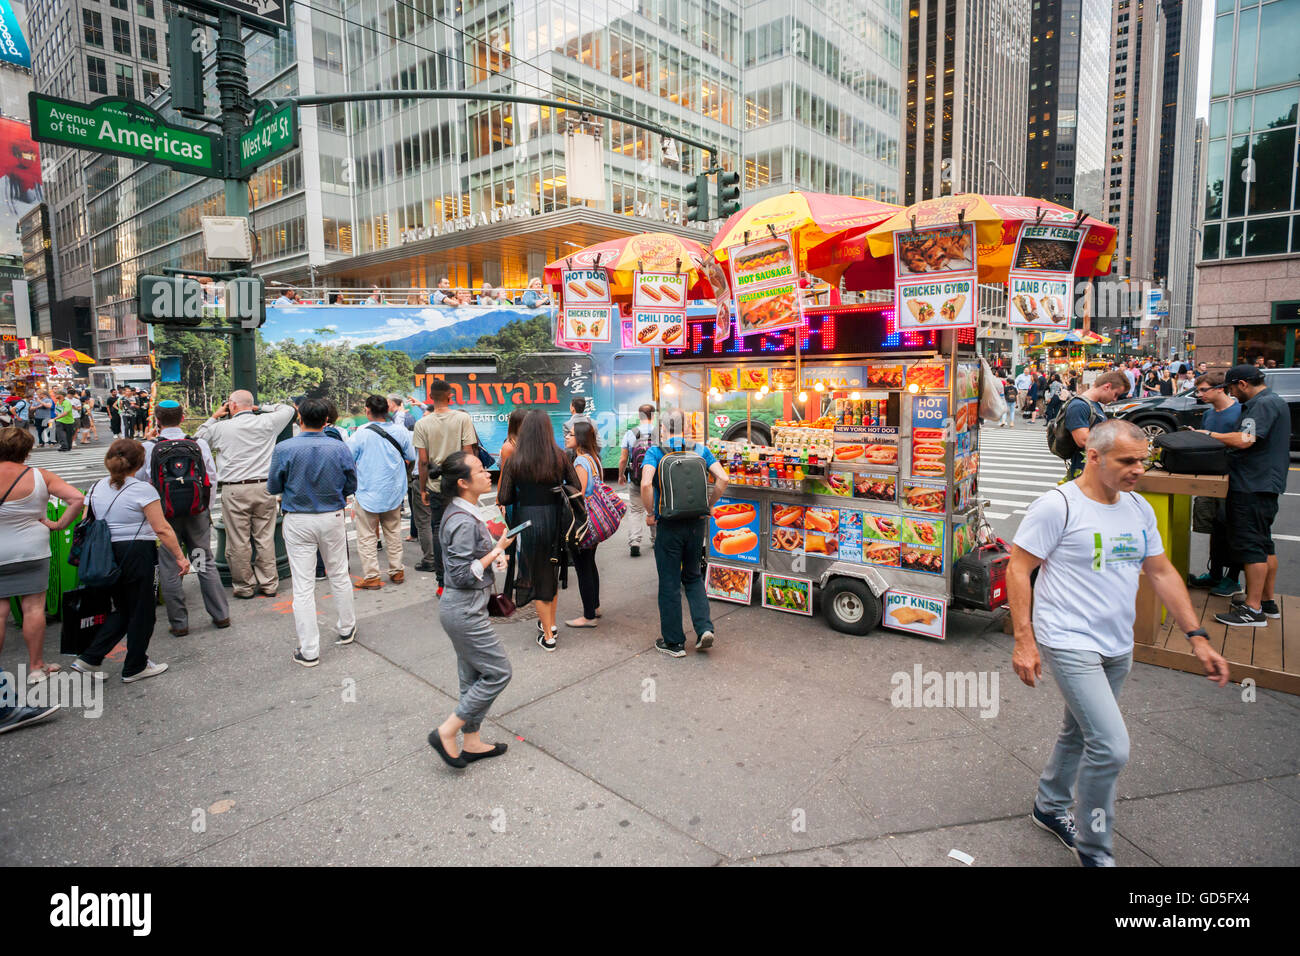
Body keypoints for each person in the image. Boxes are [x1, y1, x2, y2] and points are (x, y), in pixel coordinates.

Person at [1008, 419, 1229, 867]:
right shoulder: (1058, 506)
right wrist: (1024, 640)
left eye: (1142, 460)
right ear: (1094, 456)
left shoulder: (1138, 508)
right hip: (1068, 640)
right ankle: (1094, 848)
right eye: (1127, 461)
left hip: (1117, 643)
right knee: (1110, 745)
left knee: (1079, 731)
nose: (1137, 469)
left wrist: (1197, 637)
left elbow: (1162, 572)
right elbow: (1018, 567)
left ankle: (1048, 806)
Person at [72, 440, 192, 683]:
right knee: (143, 611)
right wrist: (180, 557)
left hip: (105, 554)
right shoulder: (143, 490)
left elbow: (88, 523)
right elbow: (162, 528)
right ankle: (135, 665)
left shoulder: (95, 488)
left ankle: (89, 657)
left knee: (124, 609)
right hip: (137, 553)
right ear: (139, 463)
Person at [426, 451, 516, 769]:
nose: (487, 472)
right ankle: (448, 730)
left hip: (463, 608)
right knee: (498, 672)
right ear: (463, 482)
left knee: (472, 677)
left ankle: (473, 741)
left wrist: (493, 554)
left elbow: (467, 562)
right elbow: (463, 575)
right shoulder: (462, 520)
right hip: (464, 610)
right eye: (480, 470)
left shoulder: (463, 510)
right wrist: (496, 552)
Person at [267, 398, 358, 666]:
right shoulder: (339, 447)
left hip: (298, 518)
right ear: (326, 420)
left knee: (303, 585)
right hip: (332, 516)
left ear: (300, 418)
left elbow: (274, 486)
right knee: (339, 573)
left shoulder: (284, 448)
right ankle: (346, 627)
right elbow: (351, 482)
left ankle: (309, 649)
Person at [1203, 365, 1290, 627]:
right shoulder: (1273, 401)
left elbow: (1245, 439)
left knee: (1252, 546)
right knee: (1264, 544)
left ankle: (1252, 610)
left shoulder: (1261, 405)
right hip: (1263, 482)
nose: (1231, 394)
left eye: (1231, 388)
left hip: (1253, 484)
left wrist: (1210, 435)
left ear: (1241, 384)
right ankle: (1266, 602)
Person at [641, 409, 728, 658]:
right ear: (687, 427)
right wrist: (709, 504)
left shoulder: (656, 451)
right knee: (692, 577)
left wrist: (649, 512)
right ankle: (704, 629)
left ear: (662, 428)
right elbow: (723, 478)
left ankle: (674, 643)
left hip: (668, 524)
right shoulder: (700, 450)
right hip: (696, 523)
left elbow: (646, 483)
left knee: (669, 582)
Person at [0, 426, 85, 683]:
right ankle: (36, 667)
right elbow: (77, 499)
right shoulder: (40, 476)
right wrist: (58, 525)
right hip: (32, 549)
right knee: (33, 607)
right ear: (26, 451)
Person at [138, 400, 230, 636]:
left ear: (157, 420)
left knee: (170, 565)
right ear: (182, 418)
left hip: (165, 515)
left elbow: (139, 481)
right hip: (196, 513)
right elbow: (211, 477)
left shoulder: (149, 448)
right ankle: (220, 615)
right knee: (202, 561)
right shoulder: (198, 443)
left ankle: (179, 623)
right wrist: (205, 508)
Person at [195, 390, 297, 598]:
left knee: (238, 540)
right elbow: (287, 409)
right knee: (265, 537)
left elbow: (197, 440)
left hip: (235, 489)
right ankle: (269, 583)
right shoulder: (268, 422)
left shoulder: (221, 428)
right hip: (264, 487)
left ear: (231, 406)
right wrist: (260, 408)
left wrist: (214, 417)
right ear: (251, 406)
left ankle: (244, 586)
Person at [497, 410, 582, 651]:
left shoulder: (515, 459)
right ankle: (551, 624)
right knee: (551, 571)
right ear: (548, 430)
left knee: (537, 575)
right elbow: (575, 485)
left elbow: (504, 496)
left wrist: (524, 493)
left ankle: (548, 636)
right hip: (556, 519)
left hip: (528, 521)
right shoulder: (560, 456)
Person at [412, 378, 478, 590]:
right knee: (464, 528)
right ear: (451, 396)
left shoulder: (422, 423)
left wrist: (423, 489)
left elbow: (423, 461)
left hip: (436, 485)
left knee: (439, 530)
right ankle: (465, 576)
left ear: (430, 398)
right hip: (460, 484)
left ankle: (442, 584)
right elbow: (468, 452)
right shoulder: (462, 418)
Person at [349, 393, 416, 590]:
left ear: (367, 411)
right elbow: (411, 455)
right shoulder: (400, 431)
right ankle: (397, 571)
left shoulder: (361, 433)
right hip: (393, 492)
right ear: (387, 411)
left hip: (368, 491)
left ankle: (372, 576)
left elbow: (348, 457)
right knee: (393, 532)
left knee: (367, 536)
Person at [1187, 372, 1242, 598]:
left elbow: (1245, 440)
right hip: (1211, 477)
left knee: (1233, 527)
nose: (1199, 395)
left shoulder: (1240, 411)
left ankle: (1233, 578)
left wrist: (1211, 435)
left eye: (1203, 390)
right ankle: (1216, 573)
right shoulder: (1209, 414)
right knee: (1213, 525)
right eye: (1198, 390)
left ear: (1220, 388)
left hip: (1235, 477)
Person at [564, 421, 604, 629]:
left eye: (570, 434)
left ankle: (588, 616)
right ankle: (595, 607)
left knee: (582, 567)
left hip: (583, 521)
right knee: (590, 563)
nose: (567, 437)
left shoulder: (580, 461)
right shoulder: (594, 458)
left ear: (579, 438)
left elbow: (578, 492)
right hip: (595, 520)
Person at [1057, 370, 1130, 481]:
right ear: (1107, 386)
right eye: (1116, 394)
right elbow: (1083, 440)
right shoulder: (1079, 406)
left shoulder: (1093, 405)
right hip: (1084, 472)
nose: (1115, 399)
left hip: (1094, 471)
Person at [618, 403, 656, 554]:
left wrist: (621, 475)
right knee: (654, 508)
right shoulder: (659, 433)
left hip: (635, 479)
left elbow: (623, 458)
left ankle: (635, 542)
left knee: (635, 510)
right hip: (654, 478)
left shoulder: (630, 433)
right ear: (653, 416)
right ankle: (656, 540)